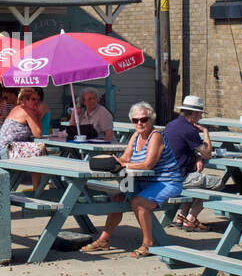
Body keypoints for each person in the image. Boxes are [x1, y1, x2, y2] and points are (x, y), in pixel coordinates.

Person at [82, 102, 183, 258]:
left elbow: (148, 164)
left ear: (151, 119)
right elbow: (126, 157)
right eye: (135, 120)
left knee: (138, 203)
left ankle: (148, 244)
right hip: (136, 178)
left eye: (143, 119)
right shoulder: (136, 135)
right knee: (118, 199)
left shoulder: (156, 136)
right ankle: (103, 240)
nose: (140, 123)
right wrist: (118, 161)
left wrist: (125, 164)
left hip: (165, 181)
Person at [163, 94, 225, 230]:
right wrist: (206, 132)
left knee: (197, 180)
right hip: (179, 178)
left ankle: (182, 215)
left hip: (166, 175)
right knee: (218, 183)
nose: (201, 118)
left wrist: (197, 157)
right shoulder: (189, 129)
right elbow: (207, 153)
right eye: (200, 114)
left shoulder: (171, 125)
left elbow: (183, 148)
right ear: (195, 114)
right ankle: (191, 218)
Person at [0, 87, 44, 157]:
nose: (36, 102)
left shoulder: (17, 108)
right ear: (25, 100)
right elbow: (38, 134)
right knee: (41, 148)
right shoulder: (27, 111)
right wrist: (38, 115)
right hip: (7, 149)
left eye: (37, 99)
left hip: (2, 148)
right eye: (33, 99)